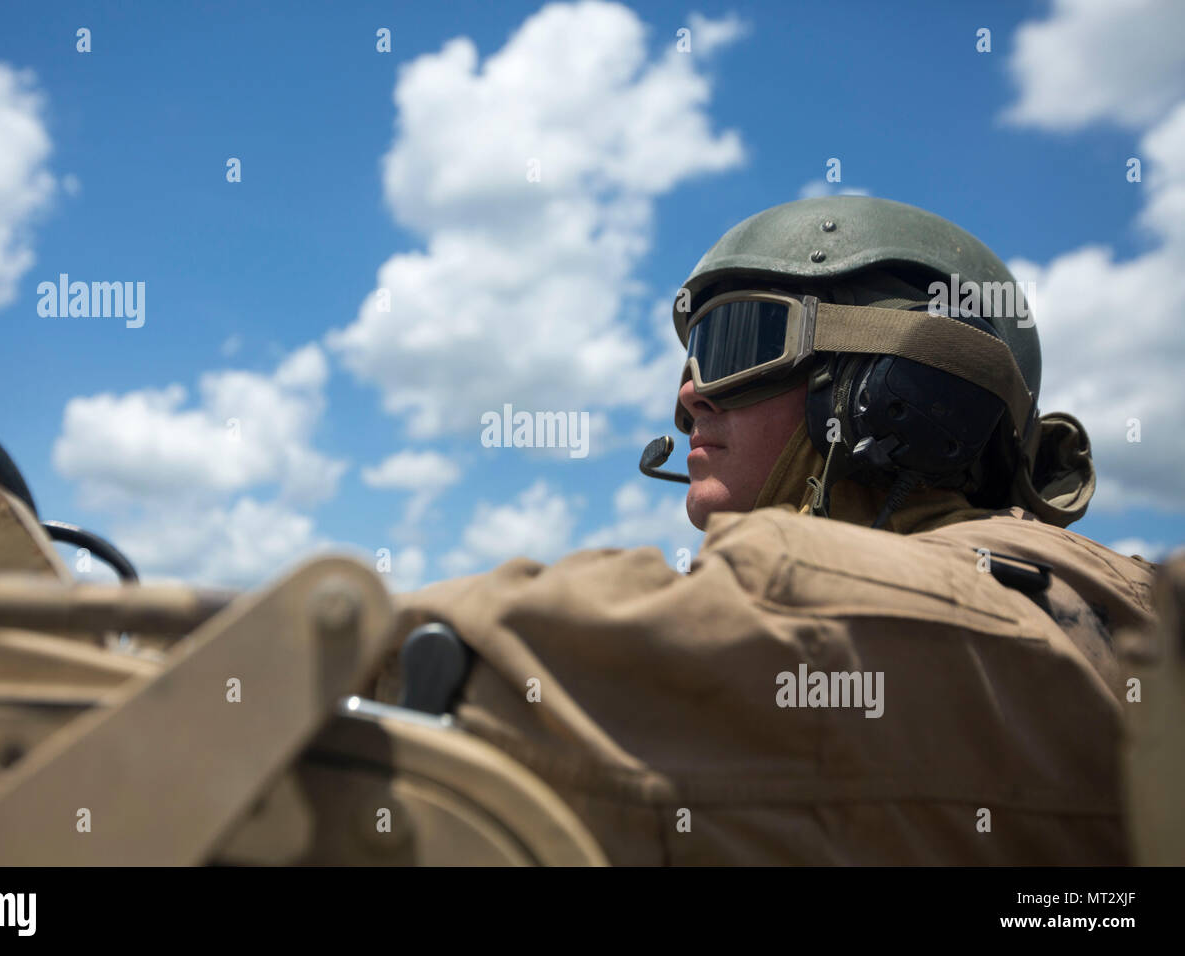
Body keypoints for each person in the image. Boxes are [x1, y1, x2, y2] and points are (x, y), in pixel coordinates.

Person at [370, 196, 1159, 865]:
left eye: (734, 346)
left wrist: (319, 646)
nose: (688, 399)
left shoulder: (1020, 593)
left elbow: (755, 624)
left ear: (898, 390)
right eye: (689, 364)